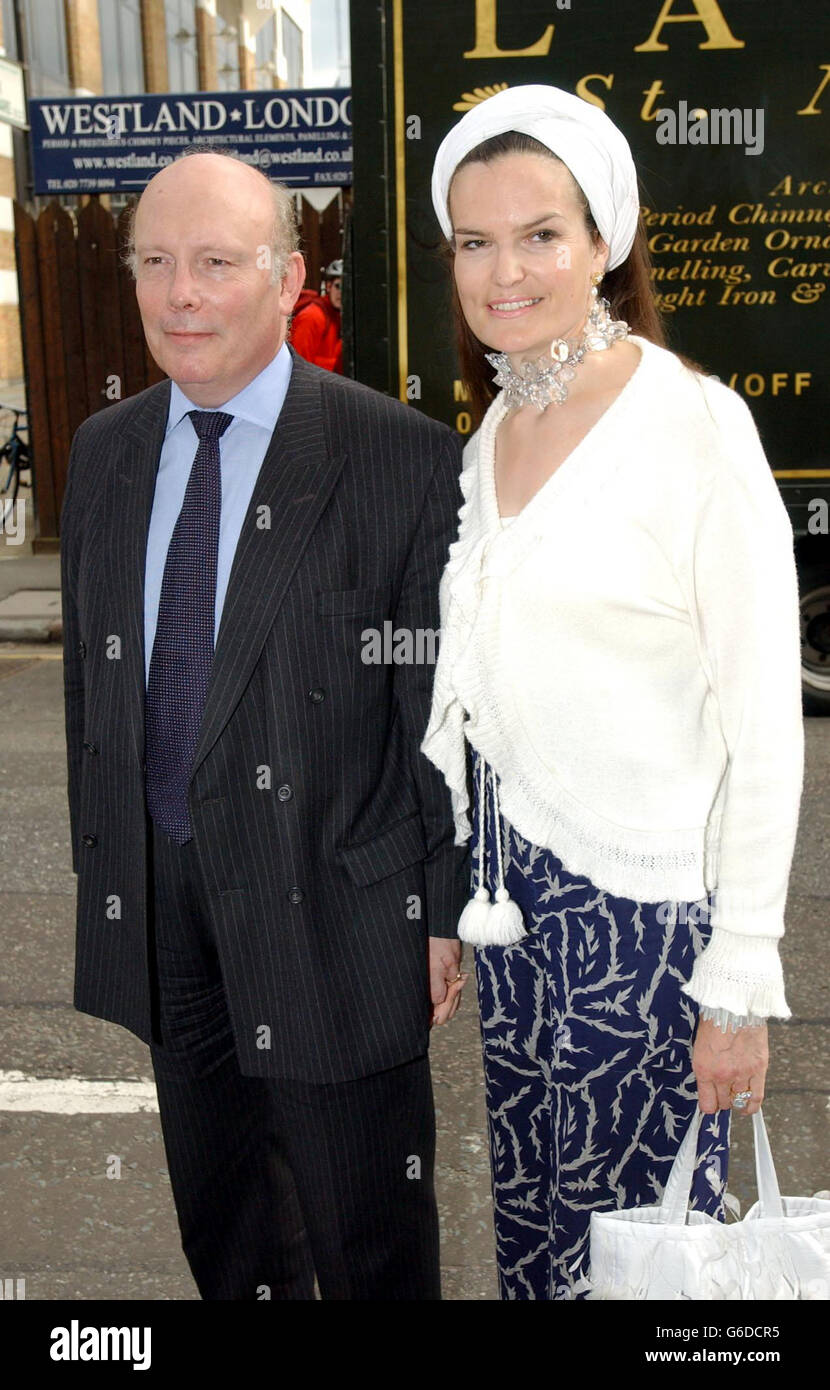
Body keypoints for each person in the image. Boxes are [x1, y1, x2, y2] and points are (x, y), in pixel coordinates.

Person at [60, 150, 470, 1301]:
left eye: (216, 264)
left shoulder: (395, 455)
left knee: (366, 1241)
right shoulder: (104, 454)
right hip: (169, 905)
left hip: (337, 909)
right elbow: (96, 693)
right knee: (227, 1226)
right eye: (156, 263)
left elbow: (436, 705)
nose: (180, 294)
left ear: (288, 276)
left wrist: (439, 908)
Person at [421, 85, 804, 1300]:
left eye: (539, 234)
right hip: (519, 914)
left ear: (606, 241)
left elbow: (761, 725)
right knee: (536, 1235)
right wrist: (460, 892)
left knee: (644, 1267)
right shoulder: (493, 435)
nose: (504, 271)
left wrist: (736, 981)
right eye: (474, 242)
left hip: (641, 933)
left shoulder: (692, 425)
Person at [290, 258, 343, 372]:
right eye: (338, 286)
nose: (341, 293)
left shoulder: (338, 317)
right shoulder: (312, 316)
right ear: (329, 286)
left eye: (346, 287)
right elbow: (299, 365)